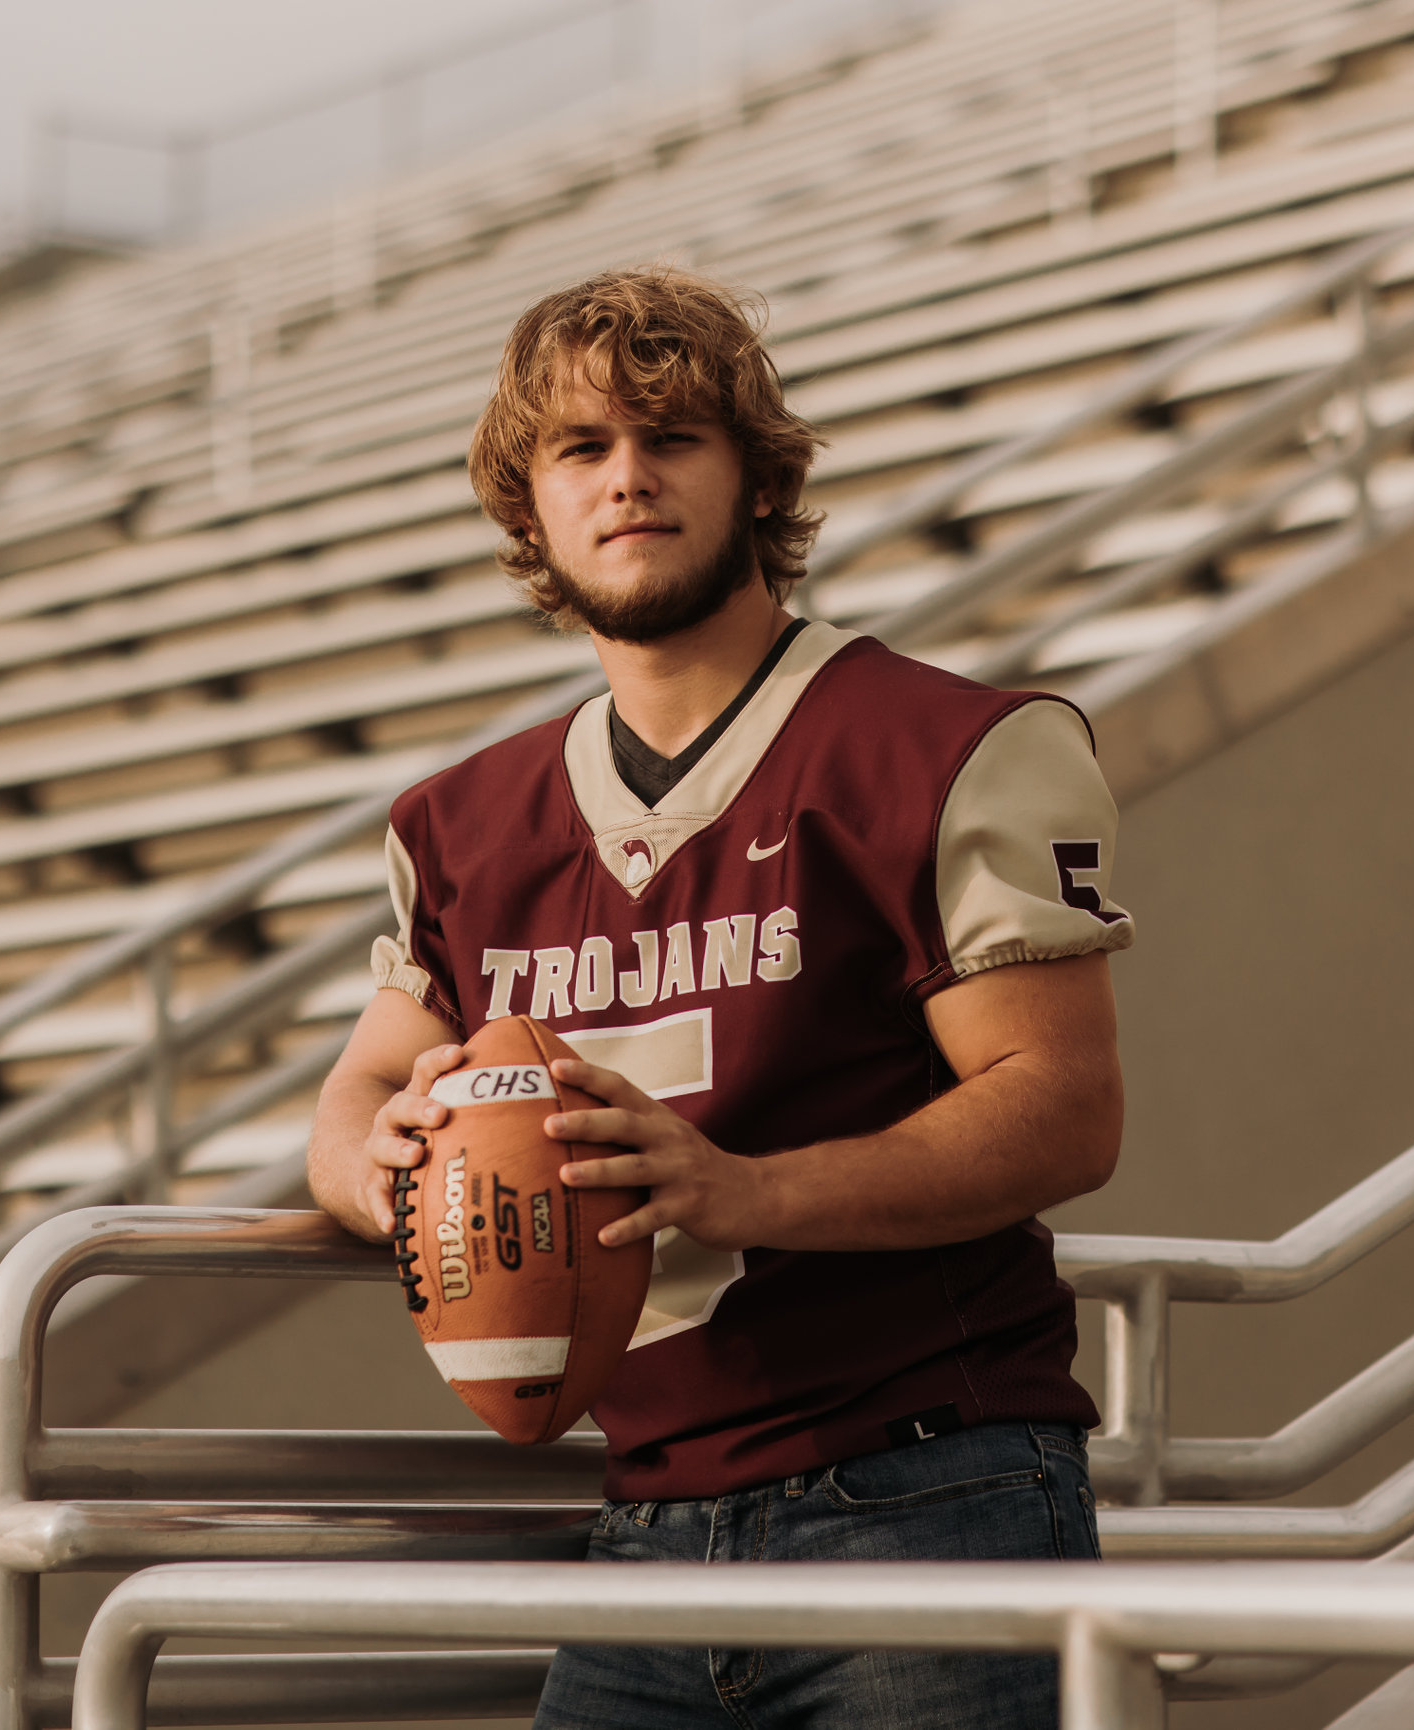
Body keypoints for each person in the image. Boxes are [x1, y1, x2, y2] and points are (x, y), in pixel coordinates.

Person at [306, 265, 1133, 1729]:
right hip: (641, 1531)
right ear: (531, 511)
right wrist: (382, 1165)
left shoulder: (940, 747)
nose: (627, 478)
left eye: (672, 438)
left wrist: (740, 1187)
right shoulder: (464, 824)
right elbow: (359, 1096)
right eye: (581, 448)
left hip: (927, 1494)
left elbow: (1062, 1109)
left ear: (758, 480)